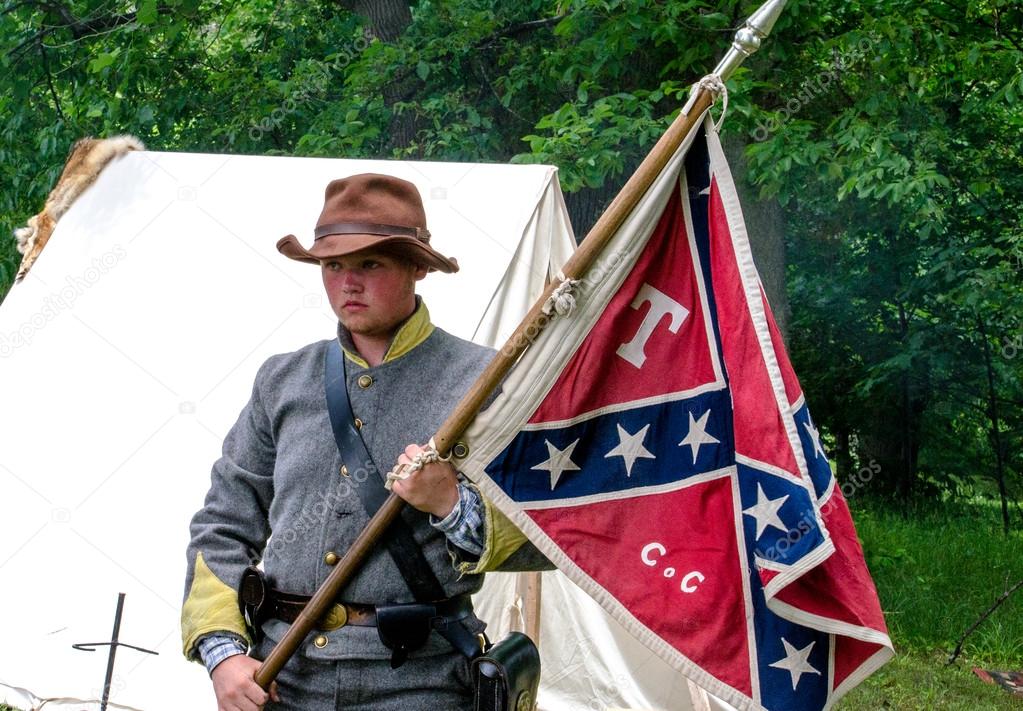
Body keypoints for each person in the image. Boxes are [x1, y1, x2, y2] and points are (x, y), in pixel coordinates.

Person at [181, 173, 549, 710]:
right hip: (284, 674)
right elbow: (222, 526)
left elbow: (553, 535)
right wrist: (225, 654)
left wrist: (453, 505)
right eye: (333, 266)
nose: (347, 283)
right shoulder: (281, 380)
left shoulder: (487, 381)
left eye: (370, 264)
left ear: (417, 267)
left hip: (422, 683)